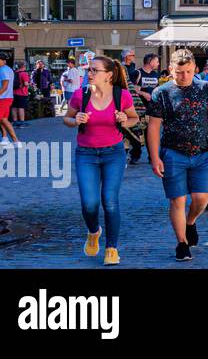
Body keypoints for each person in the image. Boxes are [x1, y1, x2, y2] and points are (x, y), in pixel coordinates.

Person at [147, 49, 208, 262]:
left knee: (201, 199)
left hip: (201, 152)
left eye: (189, 71)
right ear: (171, 69)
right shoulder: (161, 92)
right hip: (172, 153)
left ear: (195, 70)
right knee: (177, 201)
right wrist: (155, 157)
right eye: (180, 72)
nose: (185, 76)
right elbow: (154, 127)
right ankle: (182, 243)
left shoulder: (205, 88)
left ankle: (190, 222)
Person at [64, 54, 137, 266]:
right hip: (86, 154)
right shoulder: (81, 95)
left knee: (110, 202)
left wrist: (125, 119)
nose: (90, 73)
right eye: (89, 69)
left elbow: (133, 119)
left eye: (95, 70)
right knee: (89, 204)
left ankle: (111, 248)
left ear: (109, 75)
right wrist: (74, 119)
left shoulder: (121, 95)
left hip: (113, 153)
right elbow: (67, 118)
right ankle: (94, 232)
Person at [30, 59, 53, 124]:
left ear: (43, 65)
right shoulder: (34, 72)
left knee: (47, 100)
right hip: (38, 89)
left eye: (41, 64)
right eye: (39, 64)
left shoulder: (46, 71)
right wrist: (34, 85)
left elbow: (50, 79)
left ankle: (47, 113)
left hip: (46, 88)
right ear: (36, 65)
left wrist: (51, 85)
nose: (40, 65)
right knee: (38, 101)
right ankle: (39, 113)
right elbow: (32, 80)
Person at [11, 63, 29, 128]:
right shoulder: (24, 73)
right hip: (22, 93)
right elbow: (26, 83)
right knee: (21, 107)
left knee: (14, 107)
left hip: (13, 93)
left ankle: (15, 122)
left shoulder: (14, 73)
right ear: (24, 66)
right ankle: (22, 122)